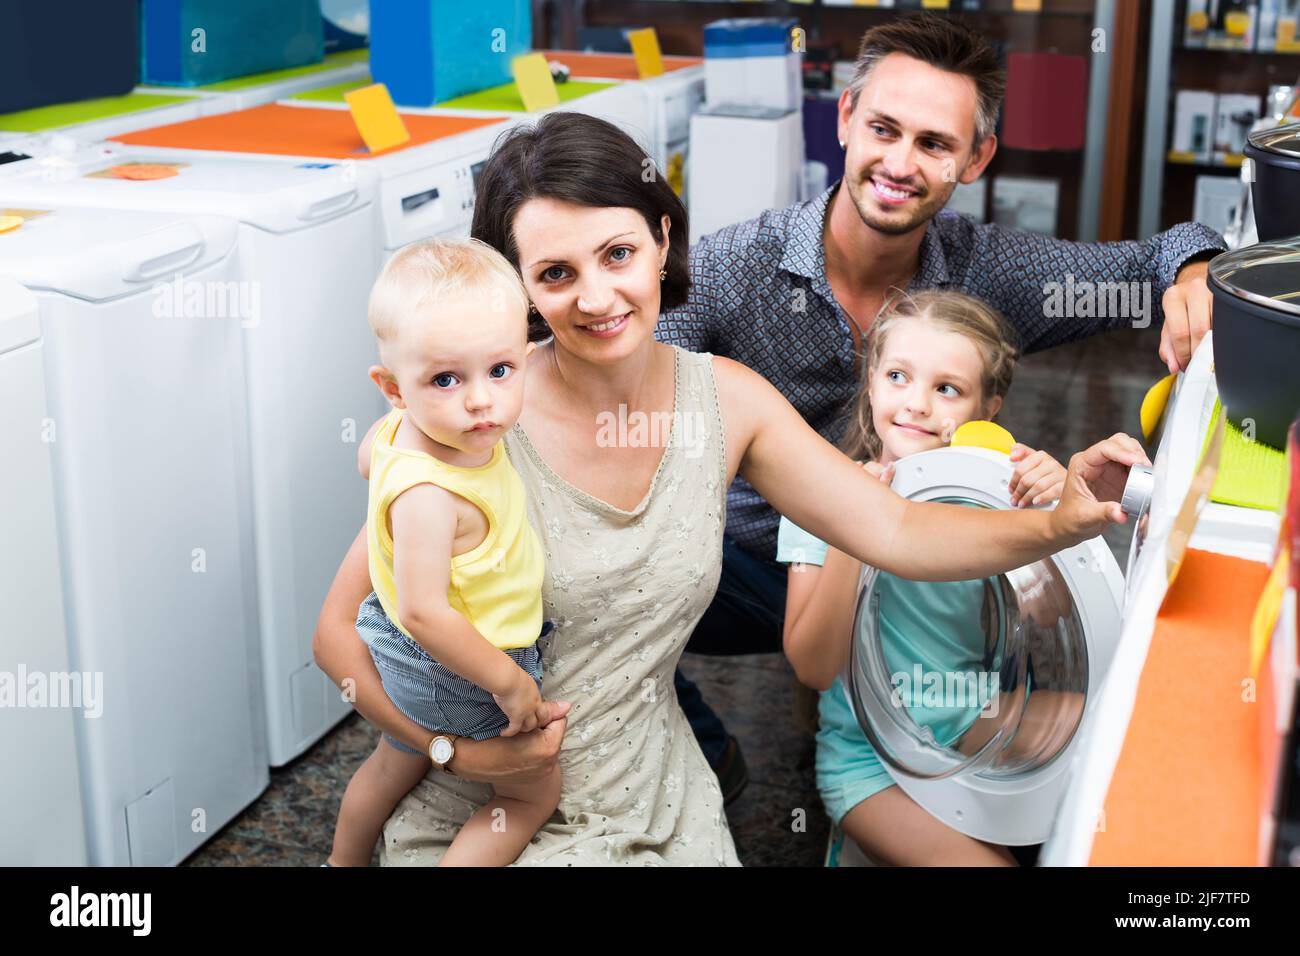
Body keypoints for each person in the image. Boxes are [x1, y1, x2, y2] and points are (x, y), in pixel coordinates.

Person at [313, 111, 1148, 866]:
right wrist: (455, 752)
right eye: (557, 274)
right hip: (487, 803)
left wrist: (1066, 521)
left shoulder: (728, 402)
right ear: (519, 288)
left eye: (618, 254)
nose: (599, 297)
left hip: (651, 787)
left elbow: (895, 530)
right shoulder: (472, 424)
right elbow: (338, 640)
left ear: (663, 241)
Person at [658, 13, 1227, 789]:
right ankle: (704, 752)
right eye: (885, 128)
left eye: (933, 144)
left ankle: (877, 727)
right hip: (761, 564)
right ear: (847, 117)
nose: (899, 162)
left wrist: (1195, 272)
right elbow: (628, 372)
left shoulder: (986, 268)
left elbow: (1149, 261)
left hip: (921, 573)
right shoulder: (734, 267)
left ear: (976, 157)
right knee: (550, 571)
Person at [781, 289, 1069, 865]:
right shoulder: (818, 496)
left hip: (971, 719)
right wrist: (853, 526)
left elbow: (1048, 613)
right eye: (897, 376)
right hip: (868, 760)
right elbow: (813, 668)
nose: (916, 404)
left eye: (946, 389)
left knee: (1127, 750)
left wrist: (1050, 513)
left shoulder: (987, 498)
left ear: (986, 410)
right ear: (871, 385)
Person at [326, 239, 560, 867]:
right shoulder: (431, 497)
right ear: (392, 386)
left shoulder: (397, 431)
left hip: (398, 650)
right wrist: (509, 683)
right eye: (447, 379)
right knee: (534, 792)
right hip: (457, 664)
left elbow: (366, 457)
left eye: (501, 371)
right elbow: (428, 612)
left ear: (526, 360)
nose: (481, 400)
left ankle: (341, 863)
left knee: (390, 761)